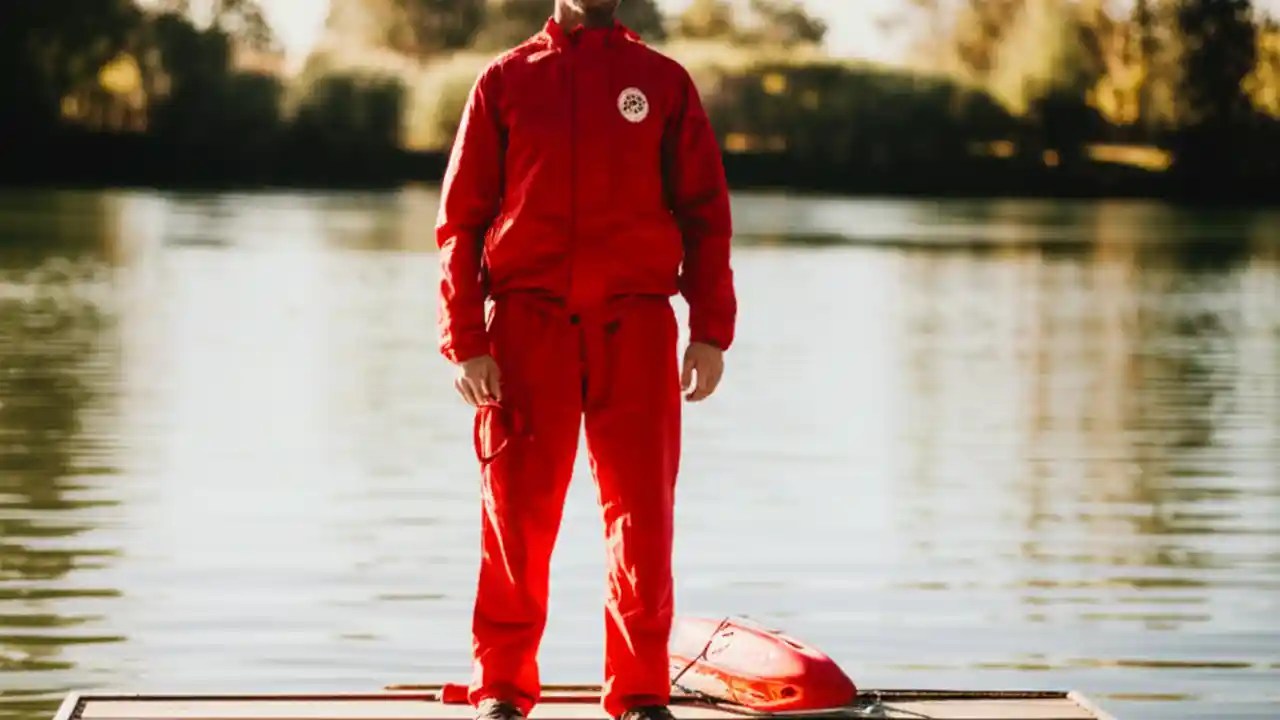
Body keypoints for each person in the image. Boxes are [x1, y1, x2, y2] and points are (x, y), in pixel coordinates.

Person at [434, 0, 736, 719]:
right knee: (515, 514)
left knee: (643, 517)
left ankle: (638, 692)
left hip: (635, 328)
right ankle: (502, 687)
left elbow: (705, 214)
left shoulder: (662, 82)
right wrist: (466, 340)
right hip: (526, 328)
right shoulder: (505, 81)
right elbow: (461, 220)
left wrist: (710, 330)